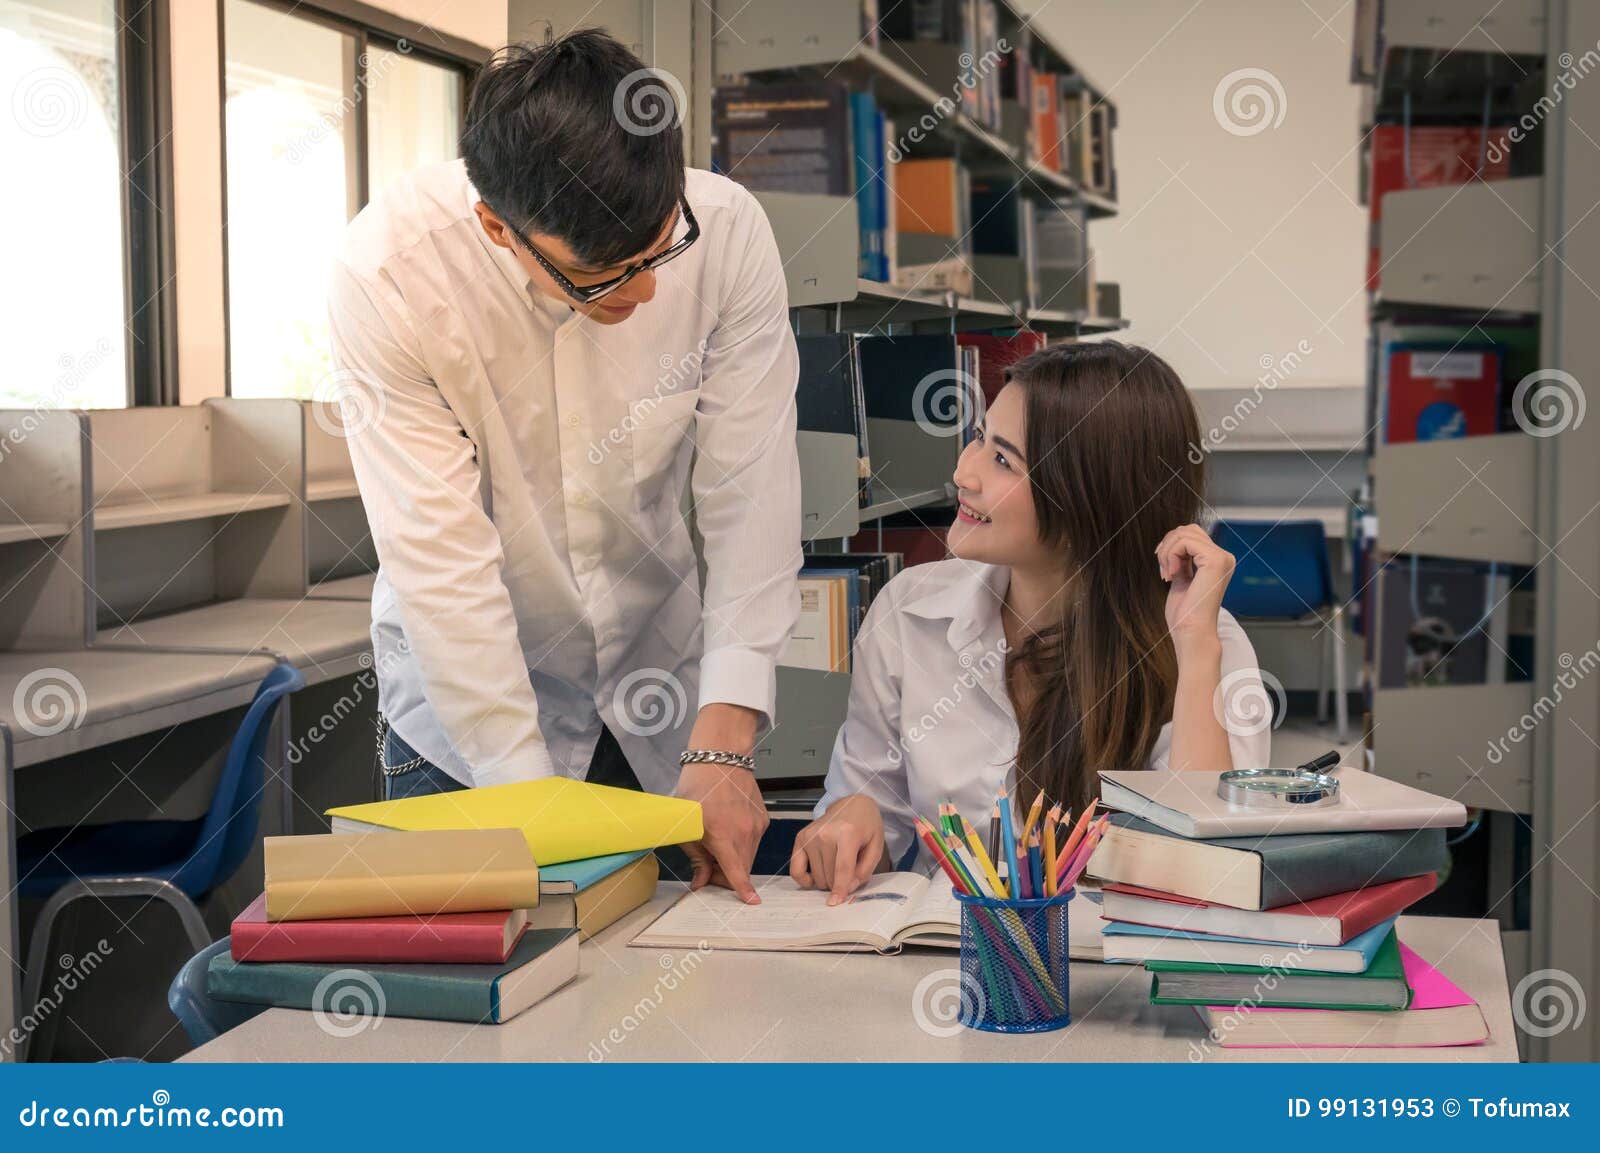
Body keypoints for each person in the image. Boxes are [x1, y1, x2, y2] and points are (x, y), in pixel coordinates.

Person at [327, 29, 801, 904]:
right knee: (498, 977)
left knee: (682, 975)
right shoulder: (389, 275)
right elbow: (441, 563)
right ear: (497, 228)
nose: (646, 290)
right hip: (466, 723)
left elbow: (752, 495)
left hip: (658, 698)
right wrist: (527, 807)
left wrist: (725, 742)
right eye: (602, 276)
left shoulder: (729, 232)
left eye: (659, 251)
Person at [791, 341, 1270, 902]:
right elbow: (873, 818)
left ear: (1087, 499)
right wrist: (851, 819)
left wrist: (1195, 647)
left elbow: (1209, 875)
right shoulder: (909, 610)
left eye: (1003, 460)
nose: (963, 473)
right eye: (978, 438)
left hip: (1108, 955)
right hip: (944, 950)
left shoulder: (1206, 641)